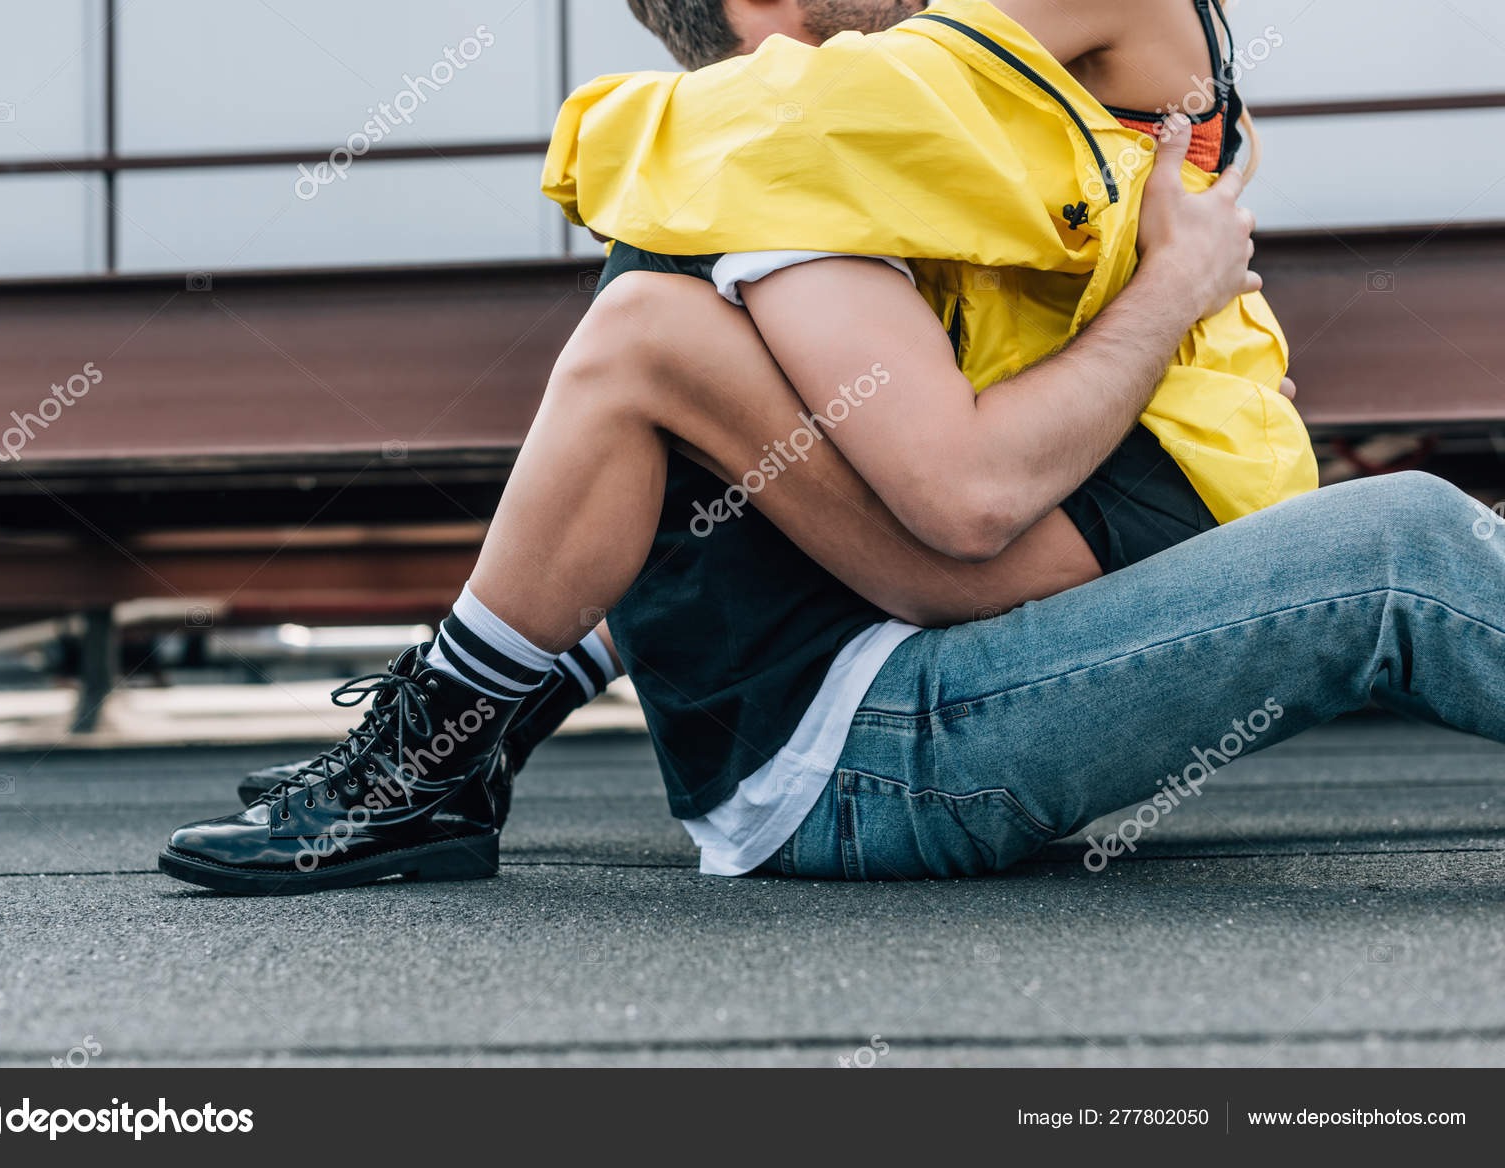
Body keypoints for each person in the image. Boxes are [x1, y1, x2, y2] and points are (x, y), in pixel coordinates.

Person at [159, 1, 1502, 894]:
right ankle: (428, 760)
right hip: (874, 752)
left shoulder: (868, 160)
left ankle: (440, 754)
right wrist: (1172, 294)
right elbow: (966, 508)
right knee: (1407, 544)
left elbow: (738, 519)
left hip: (871, 716)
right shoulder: (792, 157)